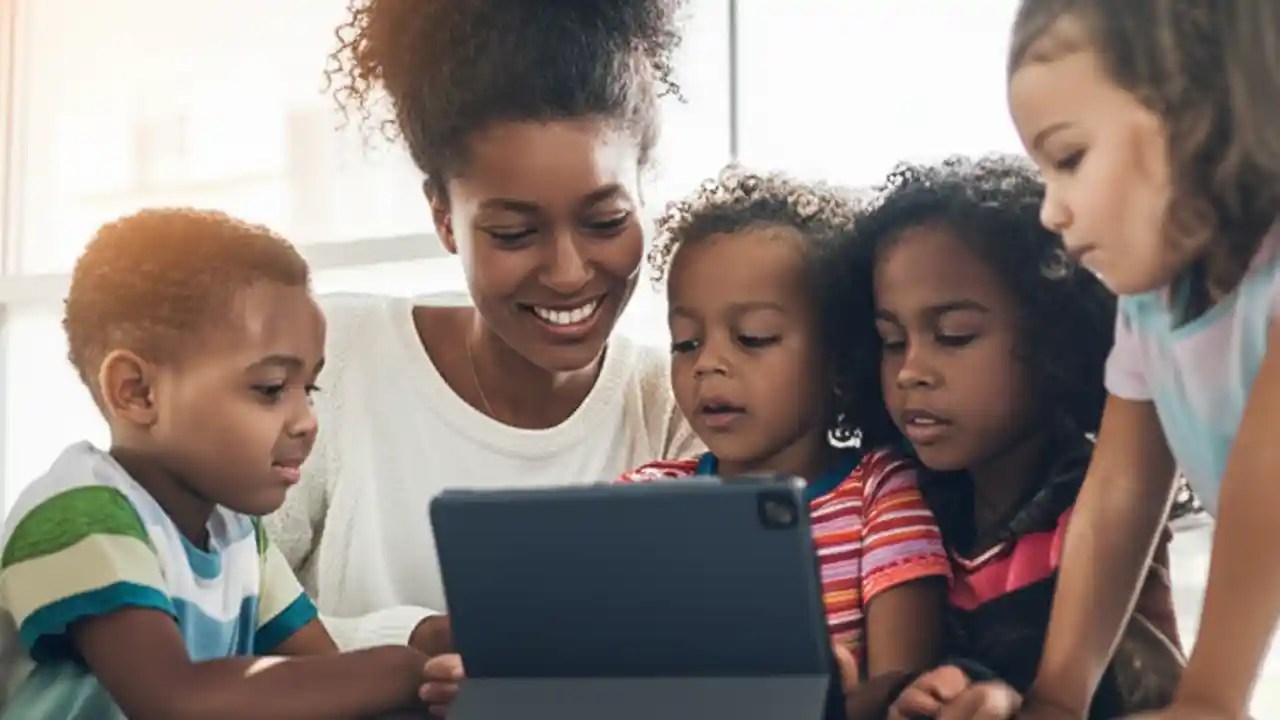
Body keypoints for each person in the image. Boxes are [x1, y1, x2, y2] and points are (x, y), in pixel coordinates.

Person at [419, 166, 953, 719]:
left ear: (841, 362)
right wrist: (506, 687)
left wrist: (840, 703)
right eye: (686, 342)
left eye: (753, 338)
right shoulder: (644, 497)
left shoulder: (880, 495)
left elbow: (901, 687)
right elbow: (591, 667)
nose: (708, 364)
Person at [265, 0, 700, 655]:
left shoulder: (682, 403)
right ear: (443, 217)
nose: (567, 272)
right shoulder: (329, 359)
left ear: (645, 192)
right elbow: (202, 617)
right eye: (514, 233)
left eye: (605, 222)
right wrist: (417, 640)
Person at [0, 209, 431, 719]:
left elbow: (322, 673)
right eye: (271, 389)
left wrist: (425, 682)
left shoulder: (240, 536)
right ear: (137, 392)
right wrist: (407, 670)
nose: (307, 422)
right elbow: (177, 701)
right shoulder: (80, 515)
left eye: (308, 389)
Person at [821, 157, 1184, 719]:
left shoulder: (1105, 505)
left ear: (1054, 340)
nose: (911, 370)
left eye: (954, 336)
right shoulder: (890, 507)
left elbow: (1150, 697)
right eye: (892, 340)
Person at [1005, 1, 1280, 717]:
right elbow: (1118, 494)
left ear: (1200, 116)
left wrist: (1210, 698)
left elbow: (1270, 478)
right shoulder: (1150, 305)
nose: (1050, 210)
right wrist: (1057, 694)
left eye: (1068, 159)